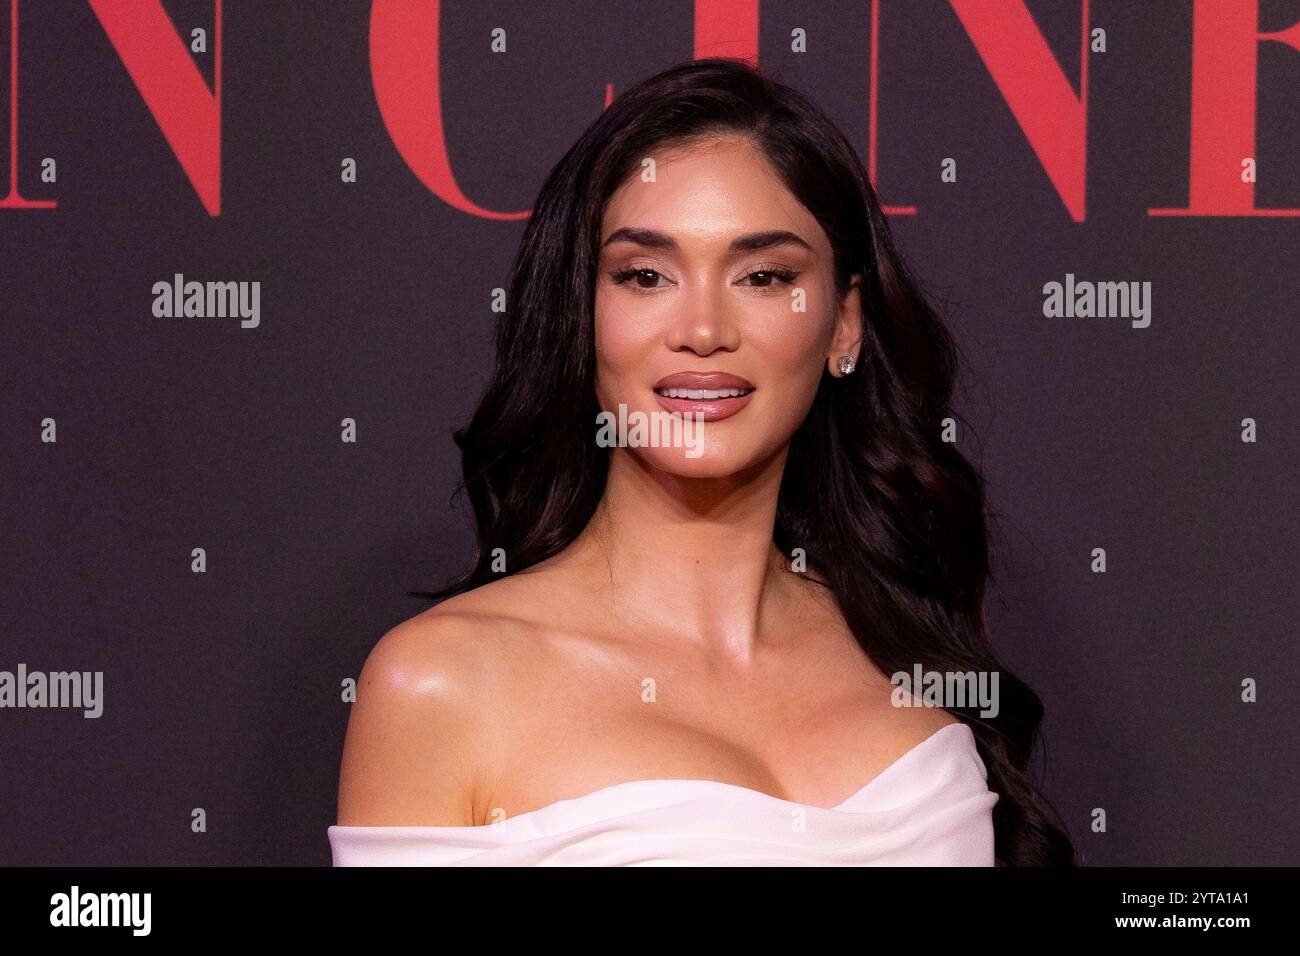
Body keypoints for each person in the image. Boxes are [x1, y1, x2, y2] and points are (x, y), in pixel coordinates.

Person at [329, 57, 1076, 866]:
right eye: (645, 275)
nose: (703, 329)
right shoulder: (443, 684)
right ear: (581, 317)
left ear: (844, 326)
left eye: (764, 276)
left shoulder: (908, 643)